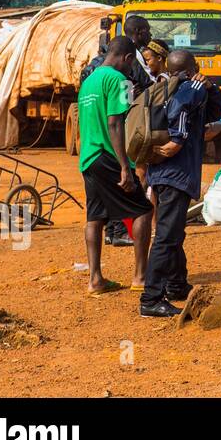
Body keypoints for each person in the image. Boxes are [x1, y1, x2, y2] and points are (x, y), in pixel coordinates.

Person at [139, 50, 221, 317]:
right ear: (193, 67)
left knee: (173, 231)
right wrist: (179, 137)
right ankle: (151, 299)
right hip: (178, 173)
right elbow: (184, 109)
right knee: (166, 235)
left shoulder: (161, 88)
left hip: (160, 171)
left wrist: (211, 88)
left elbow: (214, 110)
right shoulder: (190, 86)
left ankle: (176, 285)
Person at [76, 36, 154, 295]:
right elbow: (115, 123)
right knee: (142, 210)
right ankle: (141, 277)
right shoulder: (119, 80)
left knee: (95, 216)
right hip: (109, 155)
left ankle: (95, 279)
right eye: (132, 64)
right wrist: (124, 166)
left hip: (88, 157)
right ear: (128, 58)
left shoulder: (88, 82)